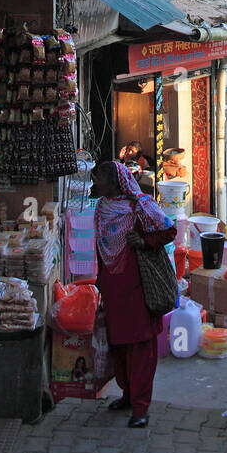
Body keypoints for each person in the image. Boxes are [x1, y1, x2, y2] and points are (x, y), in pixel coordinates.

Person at [92, 159, 176, 428]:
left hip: (138, 287)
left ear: (115, 182)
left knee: (140, 347)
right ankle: (128, 395)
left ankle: (141, 406)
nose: (96, 183)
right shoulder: (102, 208)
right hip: (113, 286)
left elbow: (168, 229)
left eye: (100, 179)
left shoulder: (140, 206)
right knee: (119, 346)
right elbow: (101, 246)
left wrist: (144, 242)